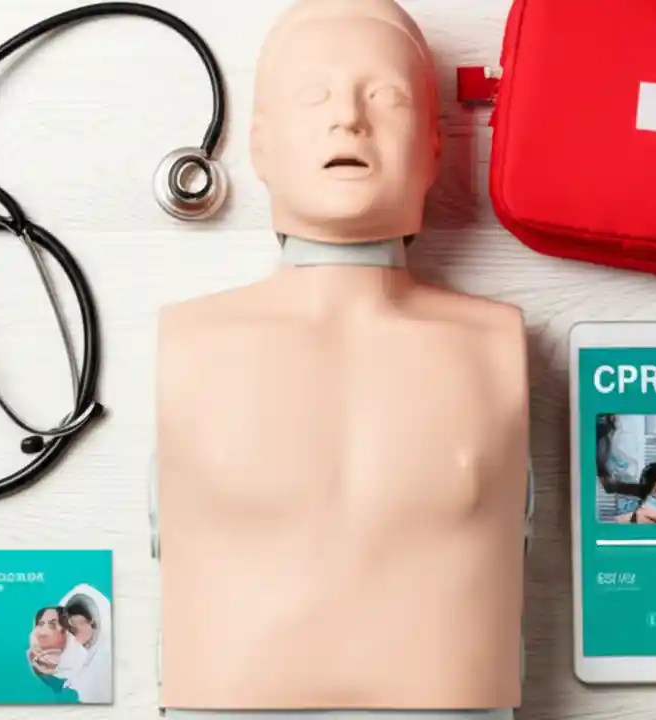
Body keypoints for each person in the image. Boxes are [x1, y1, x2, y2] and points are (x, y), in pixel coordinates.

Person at [155, 0, 528, 716]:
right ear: (258, 146)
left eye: (384, 96)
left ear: (436, 150)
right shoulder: (189, 342)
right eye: (313, 95)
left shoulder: (498, 347)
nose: (349, 120)